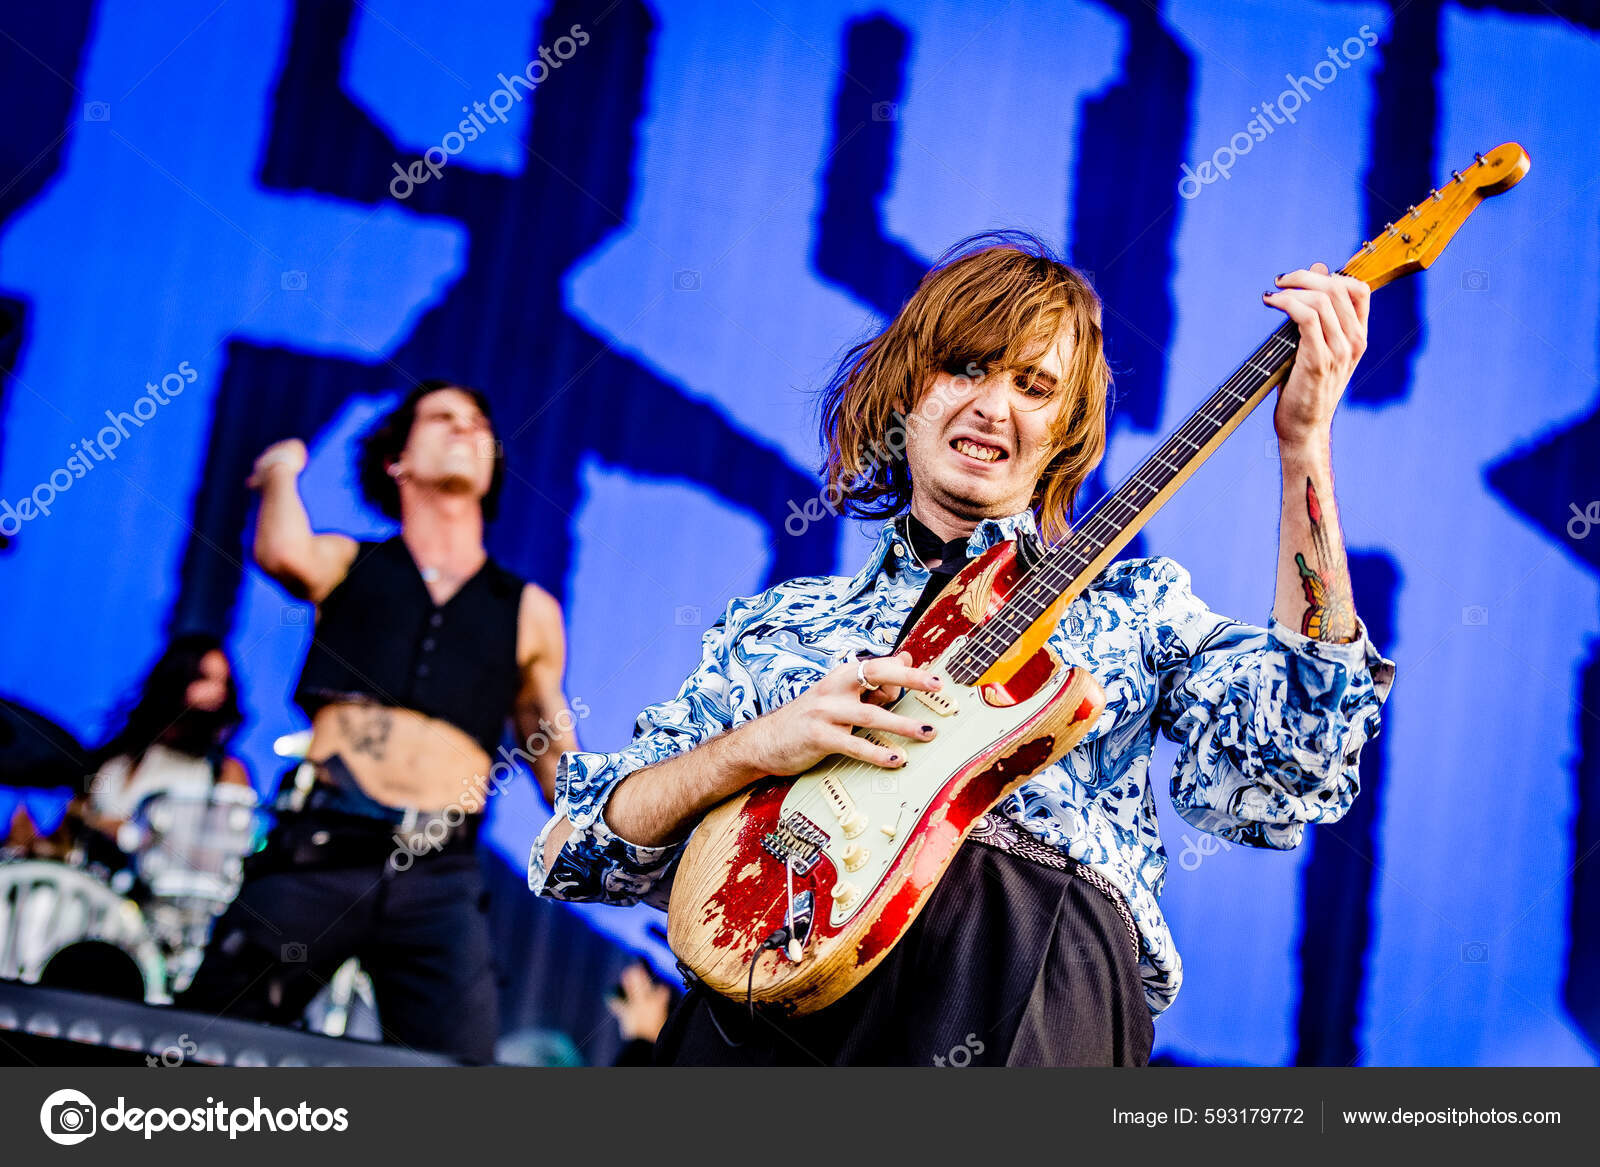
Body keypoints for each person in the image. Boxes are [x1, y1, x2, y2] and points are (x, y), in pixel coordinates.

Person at [531, 233, 1395, 1066]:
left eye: (1034, 385)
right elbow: (578, 848)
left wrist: (1303, 445)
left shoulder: (1134, 608)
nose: (993, 406)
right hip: (768, 985)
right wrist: (754, 748)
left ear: (1064, 432)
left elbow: (1293, 772)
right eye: (968, 367)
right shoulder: (779, 627)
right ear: (908, 388)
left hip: (1024, 972)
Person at [181, 380, 578, 1063]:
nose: (467, 430)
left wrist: (601, 825)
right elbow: (282, 552)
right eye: (443, 419)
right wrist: (280, 473)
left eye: (479, 423)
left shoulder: (529, 607)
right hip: (324, 843)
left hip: (441, 871)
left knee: (455, 1081)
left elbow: (552, 737)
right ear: (397, 460)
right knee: (205, 1047)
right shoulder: (348, 561)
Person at [81, 633, 252, 841]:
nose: (217, 693)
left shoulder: (222, 770)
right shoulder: (117, 757)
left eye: (224, 683)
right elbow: (77, 816)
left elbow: (229, 844)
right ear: (175, 679)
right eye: (203, 678)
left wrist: (119, 829)